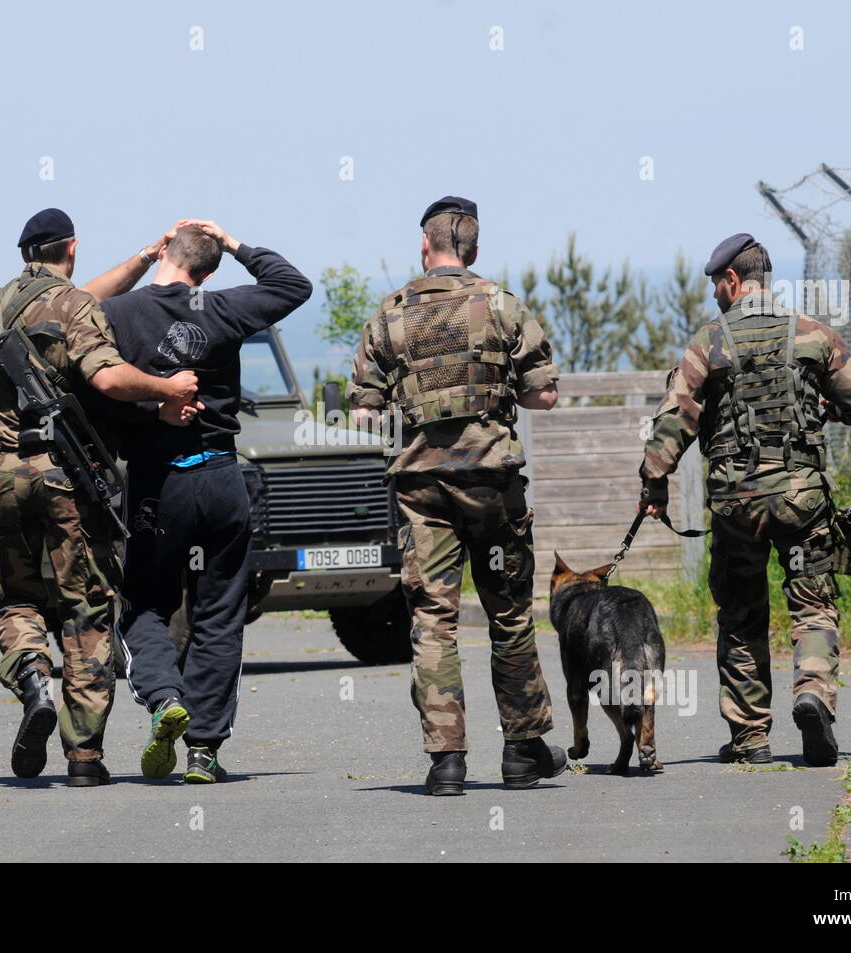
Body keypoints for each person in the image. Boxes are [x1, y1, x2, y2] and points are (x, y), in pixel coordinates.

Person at [638, 233, 851, 767]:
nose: (715, 298)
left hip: (738, 504)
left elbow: (674, 419)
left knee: (741, 613)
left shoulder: (709, 342)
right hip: (801, 500)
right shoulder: (813, 335)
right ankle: (813, 694)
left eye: (716, 287)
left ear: (733, 281)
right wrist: (826, 406)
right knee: (814, 606)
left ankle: (751, 738)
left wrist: (654, 483)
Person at [348, 196, 566, 796]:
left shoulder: (388, 313)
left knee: (433, 620)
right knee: (509, 614)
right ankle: (522, 751)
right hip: (491, 484)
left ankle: (446, 762)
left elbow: (364, 415)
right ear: (474, 248)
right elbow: (544, 397)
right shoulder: (502, 305)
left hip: (421, 489)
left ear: (426, 246)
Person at [0, 208, 199, 787]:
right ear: (71, 250)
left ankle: (31, 677)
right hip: (63, 479)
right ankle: (84, 758)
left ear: (27, 254)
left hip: (2, 476)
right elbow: (107, 378)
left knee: (15, 599)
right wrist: (165, 388)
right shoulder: (77, 309)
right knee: (86, 611)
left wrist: (146, 257)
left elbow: (75, 299)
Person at [102, 221, 312, 784]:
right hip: (221, 477)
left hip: (156, 484)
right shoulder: (221, 306)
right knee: (219, 616)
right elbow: (294, 286)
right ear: (211, 271)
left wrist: (144, 256)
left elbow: (86, 368)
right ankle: (203, 751)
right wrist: (237, 242)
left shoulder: (119, 314)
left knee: (145, 606)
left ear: (166, 252)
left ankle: (165, 697)